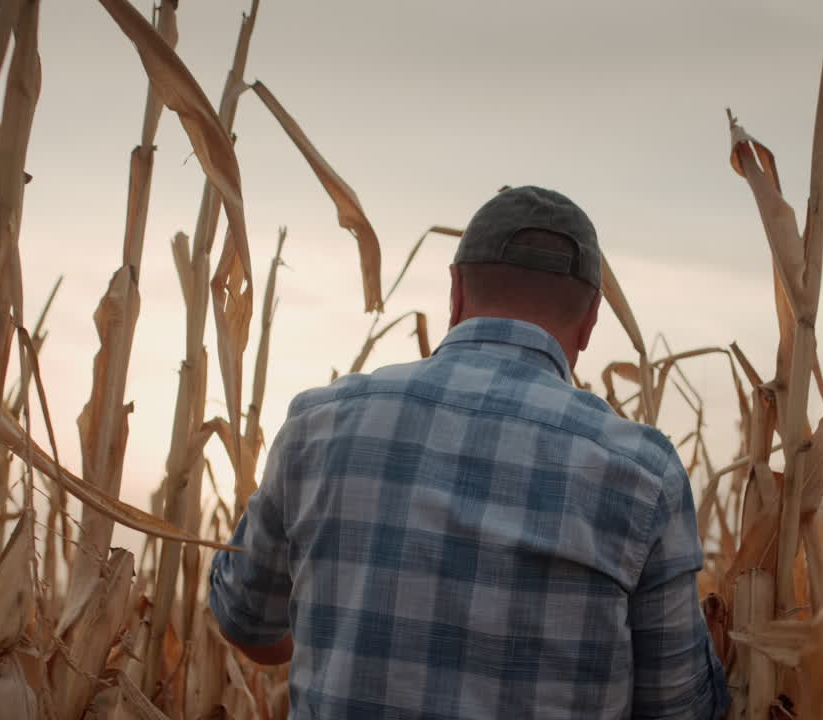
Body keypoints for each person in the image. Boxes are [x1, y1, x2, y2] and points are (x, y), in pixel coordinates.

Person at [209, 185, 729, 719]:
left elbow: (246, 620)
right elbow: (678, 707)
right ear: (591, 318)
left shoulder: (315, 427)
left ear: (455, 291)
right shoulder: (641, 473)